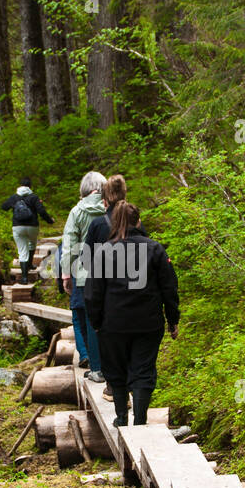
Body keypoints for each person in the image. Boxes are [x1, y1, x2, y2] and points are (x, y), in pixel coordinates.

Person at [86, 200, 179, 427]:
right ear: (138, 221)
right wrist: (172, 320)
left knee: (115, 369)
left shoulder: (103, 252)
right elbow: (169, 288)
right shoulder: (155, 249)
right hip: (148, 322)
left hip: (113, 323)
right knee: (144, 369)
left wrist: (97, 322)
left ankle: (120, 416)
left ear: (115, 223)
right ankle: (140, 419)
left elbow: (92, 293)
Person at [83, 174, 143, 401]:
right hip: (136, 288)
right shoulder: (136, 222)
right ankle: (131, 388)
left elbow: (86, 259)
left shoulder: (98, 224)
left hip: (107, 292)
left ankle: (113, 386)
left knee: (110, 340)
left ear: (105, 197)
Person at [59, 171, 106, 379]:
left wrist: (66, 274)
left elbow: (68, 246)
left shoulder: (77, 211)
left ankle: (97, 368)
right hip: (113, 272)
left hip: (84, 273)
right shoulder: (113, 208)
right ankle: (114, 368)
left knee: (90, 320)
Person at [0, 178, 53, 284]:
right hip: (32, 226)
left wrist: (13, 205)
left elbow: (4, 207)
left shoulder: (14, 197)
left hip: (18, 227)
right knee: (32, 245)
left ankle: (24, 278)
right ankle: (29, 265)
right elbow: (41, 211)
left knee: (22, 251)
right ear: (30, 186)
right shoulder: (34, 197)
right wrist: (50, 220)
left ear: (20, 185)